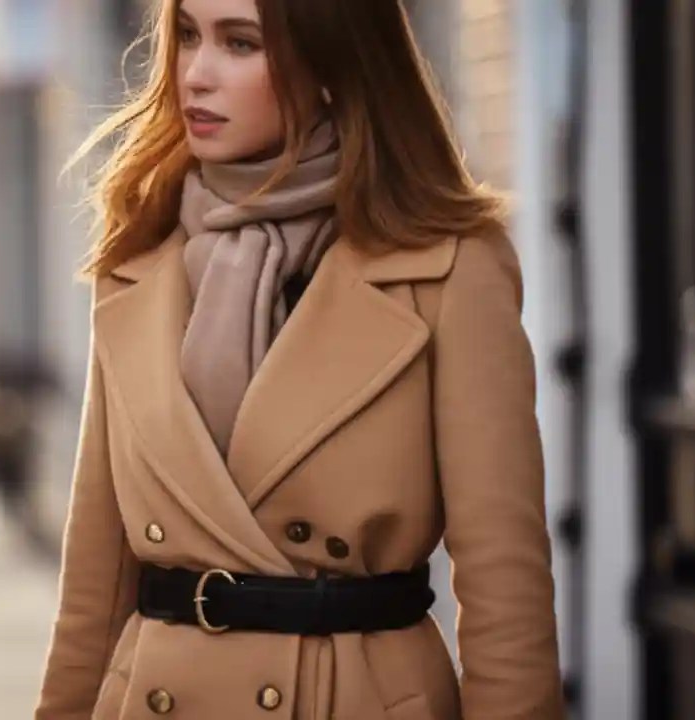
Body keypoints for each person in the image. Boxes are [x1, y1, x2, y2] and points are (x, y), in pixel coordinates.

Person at [34, 0, 565, 718]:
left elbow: (506, 590)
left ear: (329, 63)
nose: (197, 73)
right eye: (188, 36)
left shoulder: (449, 268)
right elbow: (94, 582)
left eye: (241, 43)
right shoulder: (140, 256)